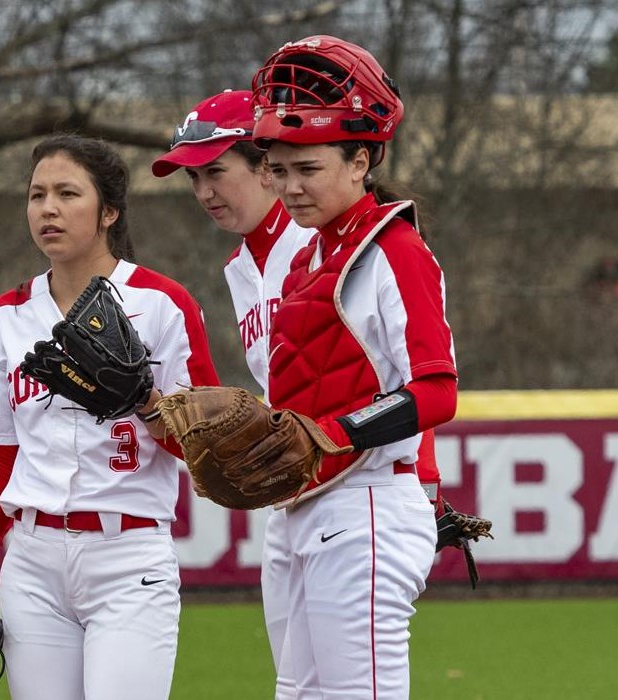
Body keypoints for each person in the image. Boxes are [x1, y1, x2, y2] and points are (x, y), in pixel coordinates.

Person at [151, 89, 448, 699]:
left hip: (365, 490)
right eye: (281, 169)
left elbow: (422, 384)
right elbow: (301, 390)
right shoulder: (284, 262)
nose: (205, 190)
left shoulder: (370, 246)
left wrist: (420, 481)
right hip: (306, 496)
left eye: (216, 170)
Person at [0, 134, 220, 700]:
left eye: (68, 193)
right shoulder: (6, 317)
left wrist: (144, 401)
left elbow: (204, 446)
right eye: (37, 194)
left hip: (128, 555)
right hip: (33, 560)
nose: (49, 208)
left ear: (109, 211)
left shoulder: (163, 304)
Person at [248, 35, 455, 699]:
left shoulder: (393, 248)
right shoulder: (312, 258)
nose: (289, 186)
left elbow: (436, 392)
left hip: (368, 505)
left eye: (306, 168)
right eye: (279, 169)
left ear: (361, 158)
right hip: (314, 506)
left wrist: (335, 430)